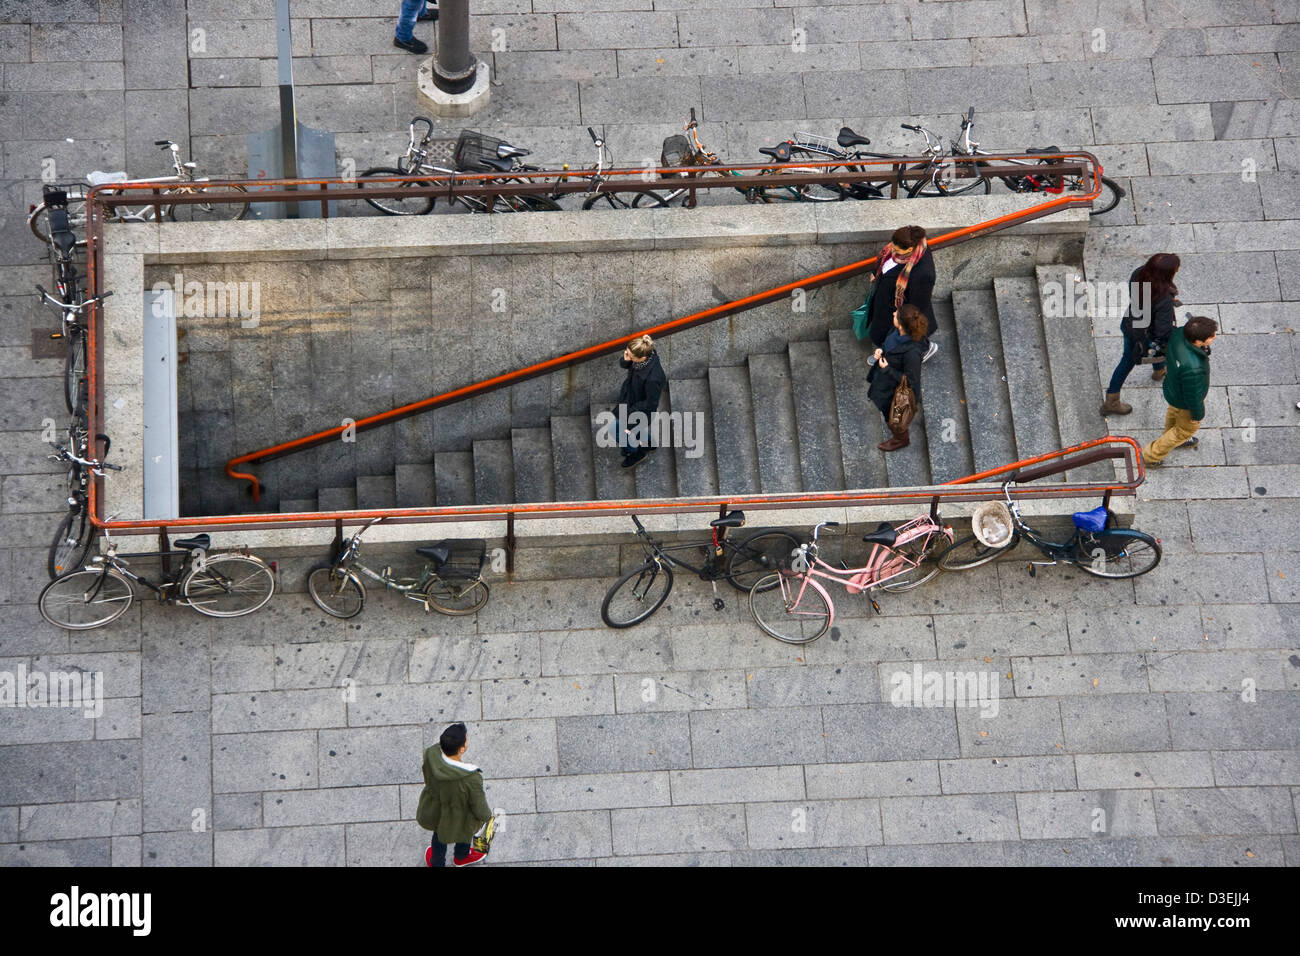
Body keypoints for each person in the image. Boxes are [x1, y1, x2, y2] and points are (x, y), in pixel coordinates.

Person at [1101, 253, 1180, 416]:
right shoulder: (1163, 298)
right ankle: (1111, 401)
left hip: (1131, 324)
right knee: (1127, 361)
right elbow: (1163, 331)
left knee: (1152, 352)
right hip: (1143, 335)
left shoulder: (1138, 273)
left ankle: (1159, 370)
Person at [1142, 315, 1217, 467]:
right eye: (1211, 336)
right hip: (1184, 400)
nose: (1214, 337)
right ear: (1197, 341)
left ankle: (1169, 438)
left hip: (1173, 389)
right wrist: (1197, 415)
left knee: (1174, 413)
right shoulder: (1194, 368)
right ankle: (1151, 456)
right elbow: (1193, 396)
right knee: (1184, 430)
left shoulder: (1180, 334)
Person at [417, 722, 493, 867]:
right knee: (465, 830)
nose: (467, 739)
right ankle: (461, 857)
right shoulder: (470, 778)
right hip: (460, 813)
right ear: (461, 749)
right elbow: (478, 805)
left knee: (439, 836)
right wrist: (487, 817)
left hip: (436, 807)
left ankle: (436, 863)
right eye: (466, 739)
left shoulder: (430, 754)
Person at [865, 225, 939, 365]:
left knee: (895, 335)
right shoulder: (904, 247)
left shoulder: (923, 274)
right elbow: (887, 260)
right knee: (886, 332)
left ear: (909, 250)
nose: (892, 248)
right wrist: (876, 272)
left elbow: (919, 304)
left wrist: (900, 317)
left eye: (896, 248)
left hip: (897, 308)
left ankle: (921, 349)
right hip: (886, 300)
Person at [867, 304, 927, 452]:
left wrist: (887, 369)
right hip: (883, 380)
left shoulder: (912, 352)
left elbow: (911, 380)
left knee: (892, 417)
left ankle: (901, 439)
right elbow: (888, 345)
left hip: (893, 391)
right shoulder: (896, 330)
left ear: (901, 324)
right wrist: (881, 350)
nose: (893, 313)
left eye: (896, 314)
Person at [616, 333, 667, 469]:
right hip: (630, 399)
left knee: (618, 430)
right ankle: (649, 444)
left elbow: (650, 403)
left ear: (641, 358)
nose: (627, 356)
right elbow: (626, 364)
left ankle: (636, 452)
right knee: (629, 429)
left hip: (639, 410)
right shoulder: (644, 357)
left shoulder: (653, 379)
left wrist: (629, 416)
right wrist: (627, 359)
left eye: (631, 357)